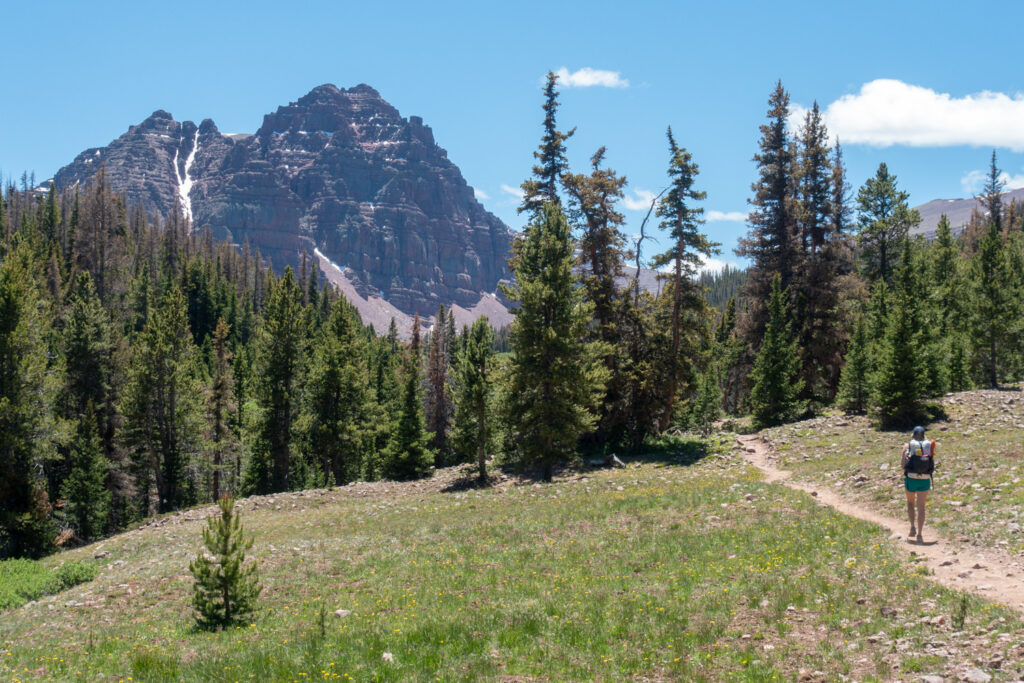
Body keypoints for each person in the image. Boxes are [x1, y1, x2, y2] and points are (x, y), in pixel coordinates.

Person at [902, 425, 935, 542]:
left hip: (911, 478)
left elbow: (903, 465)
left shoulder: (908, 445)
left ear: (913, 434)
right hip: (925, 479)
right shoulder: (929, 445)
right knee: (921, 507)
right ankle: (920, 534)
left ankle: (912, 527)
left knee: (910, 503)